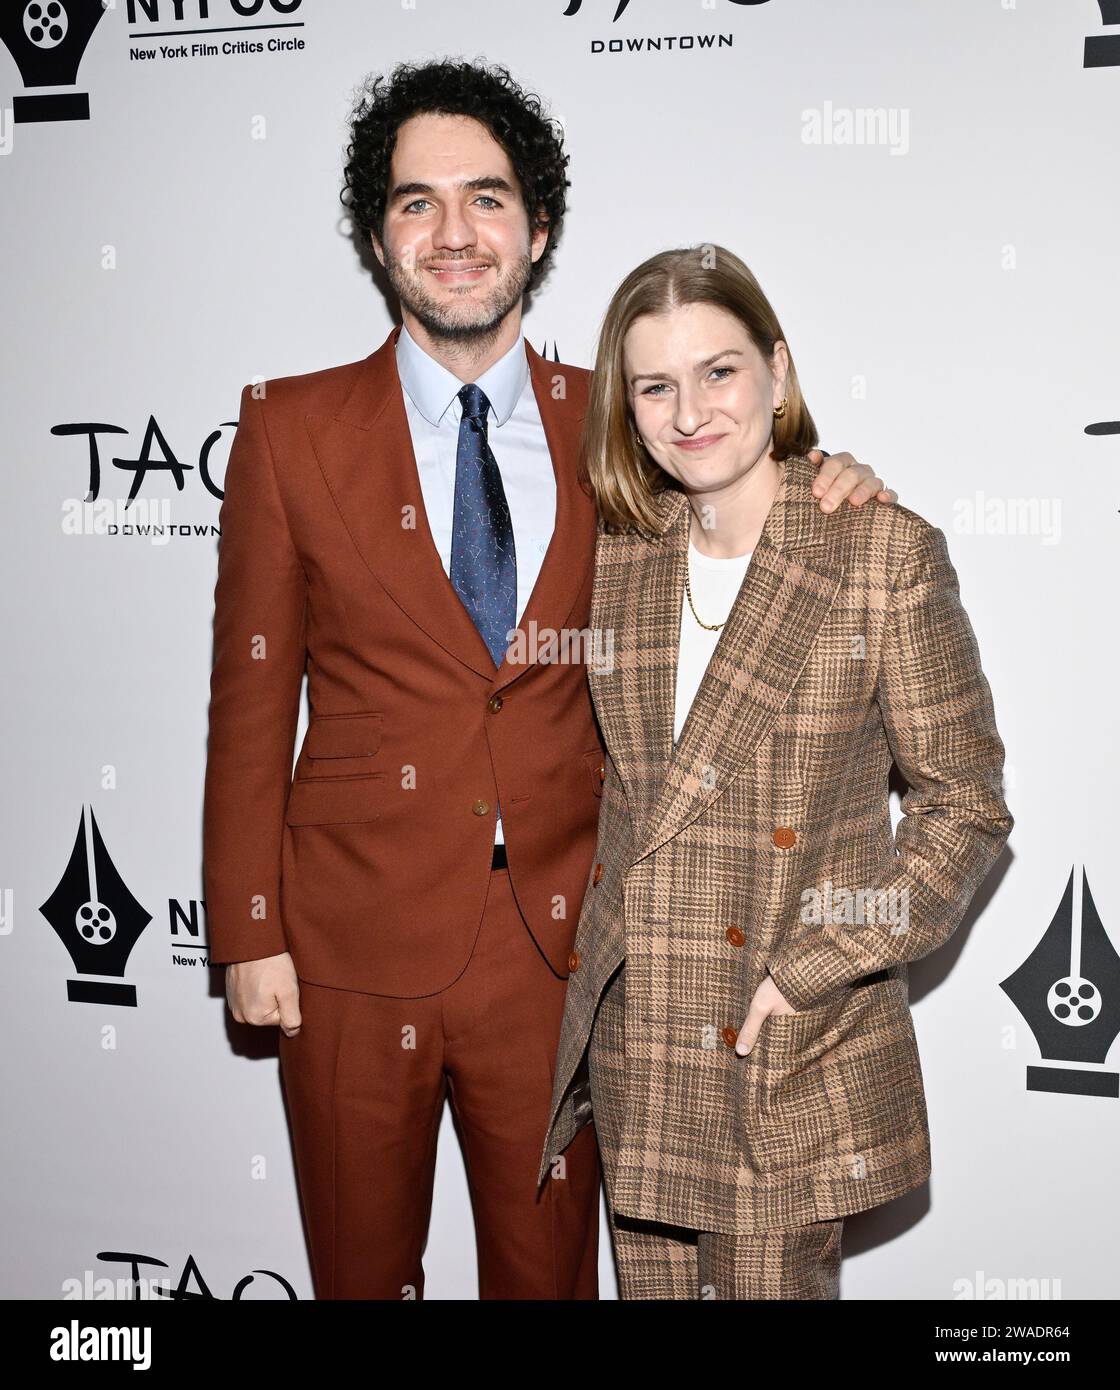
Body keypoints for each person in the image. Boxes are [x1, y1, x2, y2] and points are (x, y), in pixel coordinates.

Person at [203, 61, 895, 1301]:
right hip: (349, 951)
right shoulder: (288, 428)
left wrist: (828, 475)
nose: (455, 233)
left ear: (538, 229)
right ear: (378, 236)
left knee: (552, 1284)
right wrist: (247, 927)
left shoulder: (613, 423)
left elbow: (734, 468)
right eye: (417, 204)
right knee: (361, 1280)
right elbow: (250, 702)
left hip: (569, 960)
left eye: (485, 199)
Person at [538, 244, 1013, 1300]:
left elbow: (964, 806)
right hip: (644, 1038)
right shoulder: (617, 553)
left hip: (779, 1047)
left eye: (719, 371)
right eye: (655, 385)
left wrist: (813, 968)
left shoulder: (880, 552)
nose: (689, 410)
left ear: (779, 375)